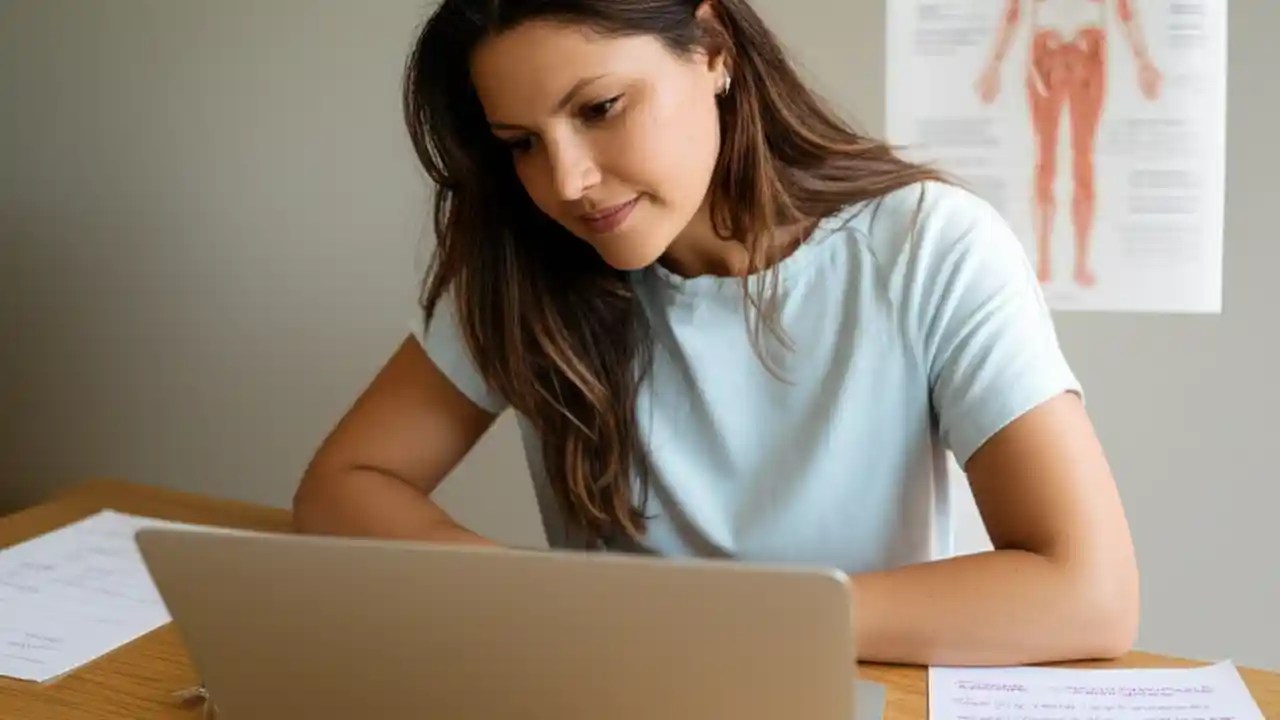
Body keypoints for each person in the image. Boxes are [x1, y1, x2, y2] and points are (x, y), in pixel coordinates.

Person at [292, 0, 1138, 667]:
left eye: (600, 107)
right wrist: (535, 598)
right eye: (521, 144)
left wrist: (720, 624)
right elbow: (343, 484)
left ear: (712, 48)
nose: (568, 182)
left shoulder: (931, 247)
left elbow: (1089, 593)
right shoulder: (523, 263)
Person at [975, 0, 1162, 286]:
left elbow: (1124, 9)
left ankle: (1077, 263)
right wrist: (994, 64)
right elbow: (1014, 10)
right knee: (1048, 160)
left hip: (1084, 51)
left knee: (1079, 159)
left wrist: (1144, 61)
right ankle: (1045, 262)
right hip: (1051, 55)